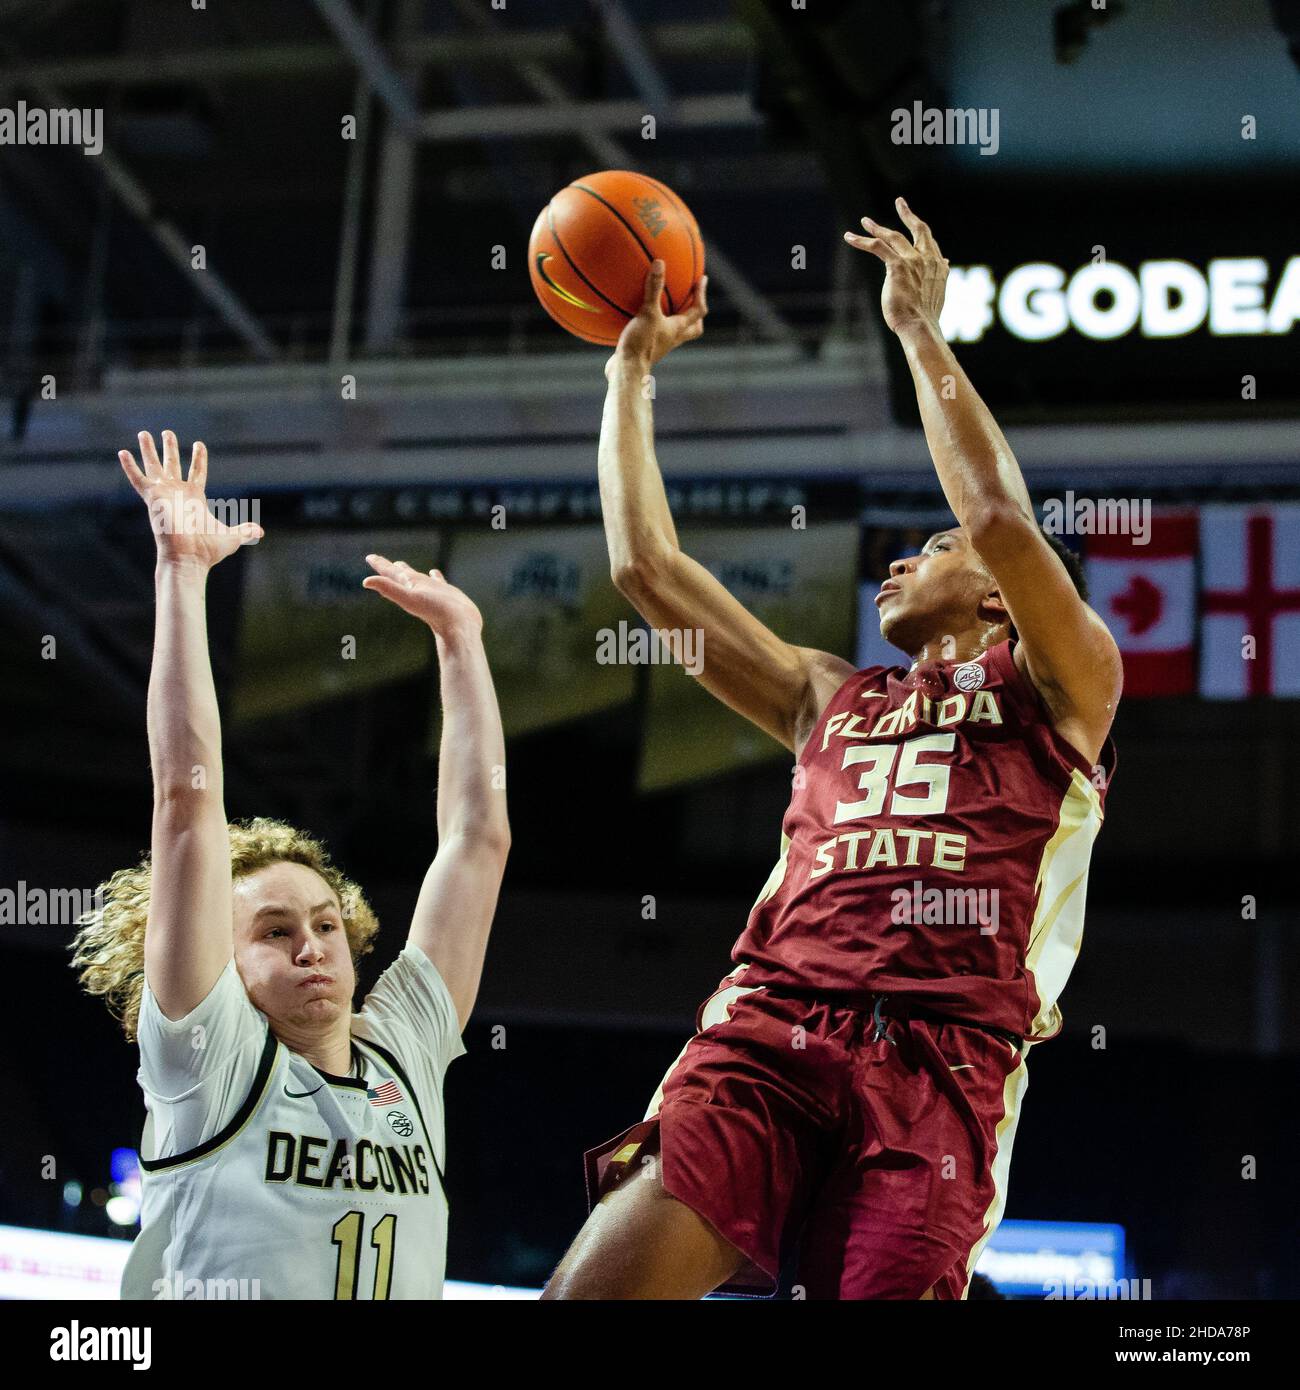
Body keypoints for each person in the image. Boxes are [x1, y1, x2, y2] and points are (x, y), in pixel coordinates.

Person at [544, 200, 1121, 1300]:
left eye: (929, 548)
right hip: (768, 1029)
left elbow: (998, 513)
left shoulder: (1063, 687)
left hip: (942, 1065)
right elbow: (646, 573)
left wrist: (918, 331)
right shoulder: (826, 694)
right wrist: (628, 376)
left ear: (999, 599)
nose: (900, 562)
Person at [71, 430, 509, 1299]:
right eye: (274, 931)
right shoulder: (212, 1060)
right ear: (221, 964)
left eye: (325, 924)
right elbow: (187, 803)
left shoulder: (403, 1056)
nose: (314, 947)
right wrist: (182, 572)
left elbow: (476, 841)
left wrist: (462, 643)